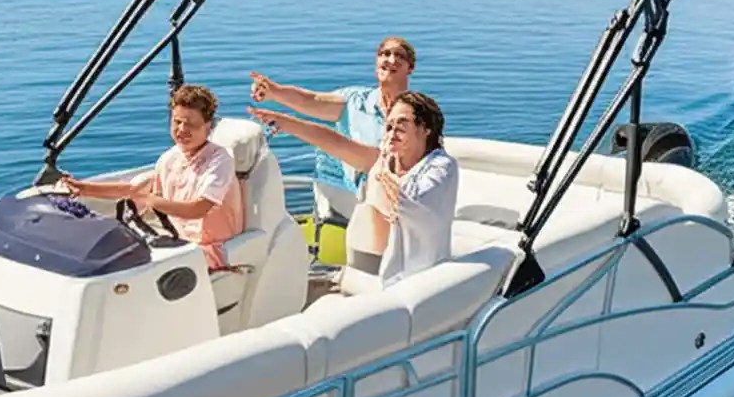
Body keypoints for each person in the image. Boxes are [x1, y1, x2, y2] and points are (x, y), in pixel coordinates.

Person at [248, 90, 457, 287]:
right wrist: (286, 123)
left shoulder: (440, 168)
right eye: (389, 126)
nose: (392, 133)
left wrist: (384, 173)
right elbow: (335, 142)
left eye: (401, 126)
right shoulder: (386, 159)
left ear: (426, 129)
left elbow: (408, 202)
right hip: (366, 269)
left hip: (408, 278)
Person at [61, 84, 244, 270]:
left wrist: (149, 200)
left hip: (212, 251)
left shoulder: (220, 160)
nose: (181, 129)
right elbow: (132, 190)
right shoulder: (170, 158)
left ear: (208, 126)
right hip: (178, 242)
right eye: (177, 122)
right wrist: (84, 188)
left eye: (190, 124)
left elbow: (197, 210)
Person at [249, 36, 417, 221]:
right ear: (376, 61)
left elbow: (374, 159)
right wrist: (275, 92)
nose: (391, 60)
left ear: (410, 68)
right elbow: (311, 100)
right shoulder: (356, 101)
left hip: (396, 195)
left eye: (399, 56)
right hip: (351, 193)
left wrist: (288, 123)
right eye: (385, 54)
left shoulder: (417, 113)